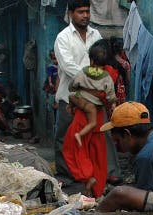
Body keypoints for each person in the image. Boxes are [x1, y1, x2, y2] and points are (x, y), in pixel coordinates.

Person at [53, 0, 103, 179]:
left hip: (93, 98)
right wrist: (93, 79)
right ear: (71, 13)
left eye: (87, 11)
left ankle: (87, 171)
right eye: (81, 12)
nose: (86, 15)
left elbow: (102, 59)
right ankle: (65, 173)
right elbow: (68, 66)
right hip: (70, 97)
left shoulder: (96, 34)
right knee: (64, 137)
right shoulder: (63, 37)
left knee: (91, 137)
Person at [62, 41, 116, 198]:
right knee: (97, 153)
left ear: (91, 60)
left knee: (73, 148)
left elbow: (72, 87)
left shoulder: (83, 73)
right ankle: (96, 192)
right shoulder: (109, 76)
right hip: (99, 118)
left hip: (82, 115)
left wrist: (77, 98)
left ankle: (87, 177)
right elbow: (110, 98)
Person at [110, 37, 131, 106]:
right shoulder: (125, 64)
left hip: (109, 90)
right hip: (120, 89)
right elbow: (128, 80)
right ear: (122, 49)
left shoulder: (106, 60)